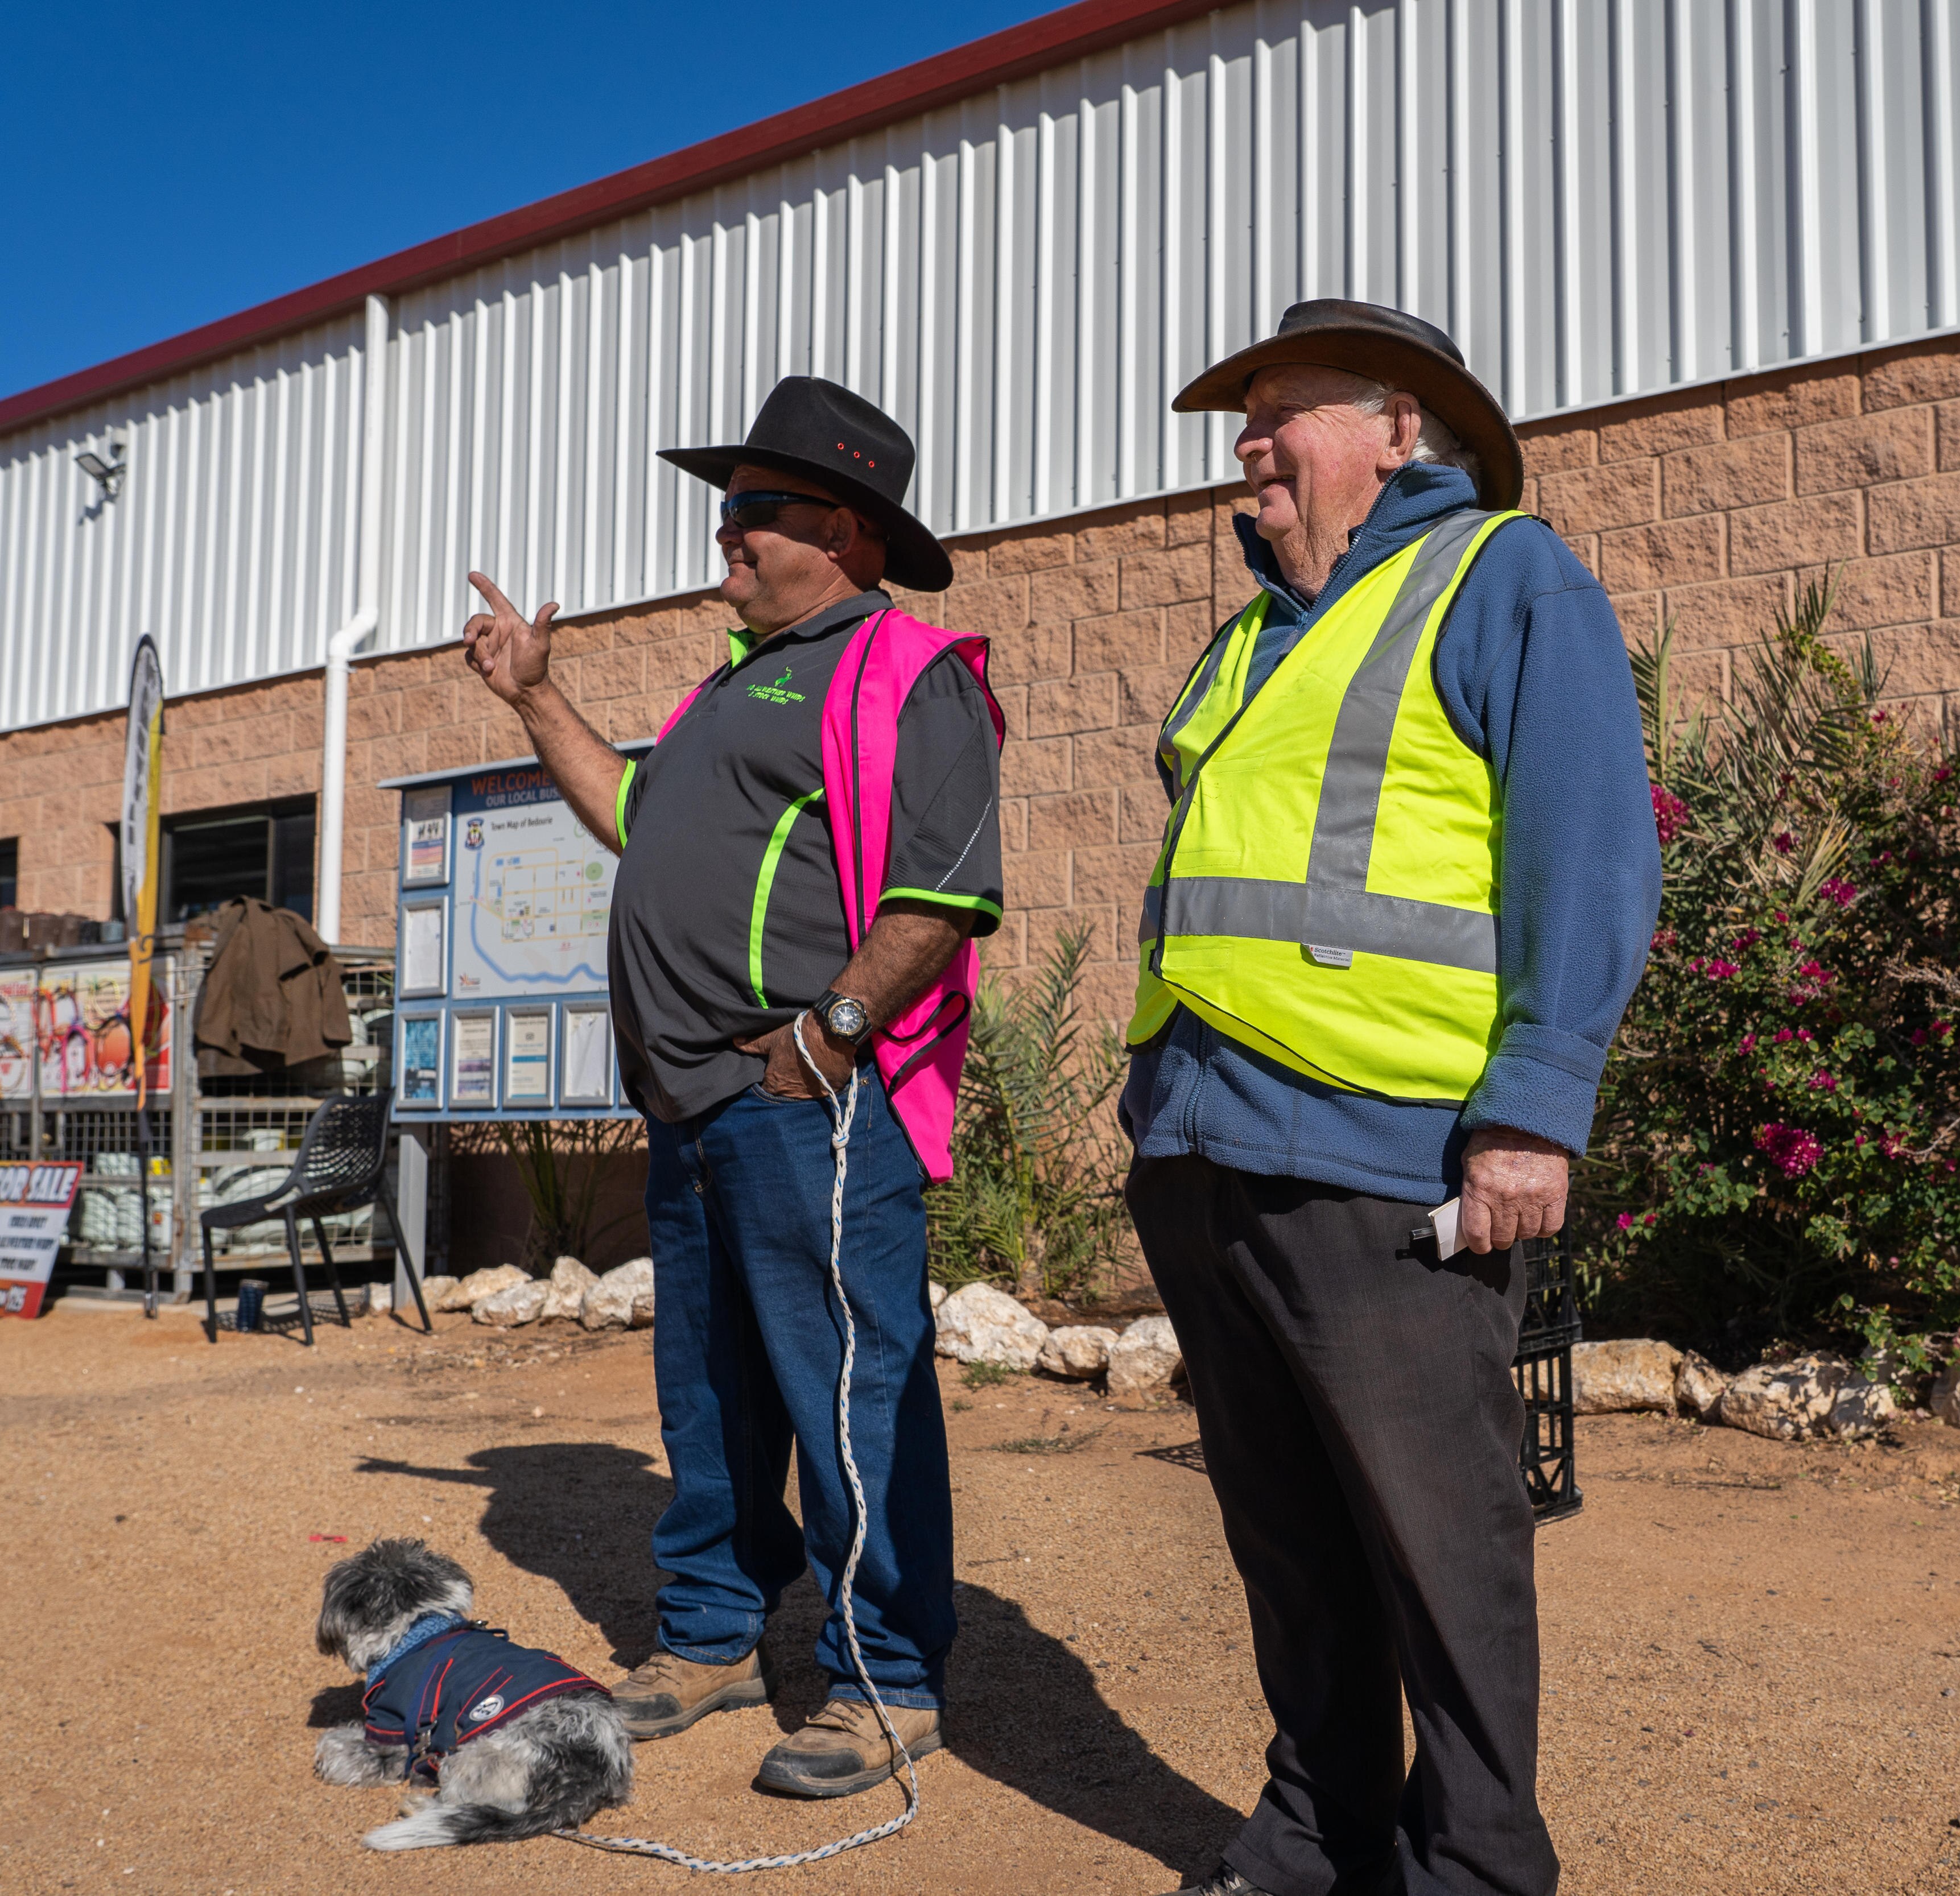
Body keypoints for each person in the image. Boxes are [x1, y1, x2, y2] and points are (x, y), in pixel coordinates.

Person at [1122, 302, 1660, 1896]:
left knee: (1440, 1537)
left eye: (1281, 408)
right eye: (1244, 415)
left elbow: (1590, 846)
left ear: (1400, 429)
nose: (1246, 443)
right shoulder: (1248, 637)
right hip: (1207, 1141)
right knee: (1286, 1536)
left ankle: (1481, 1860)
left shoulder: (1503, 575)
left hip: (1394, 1154)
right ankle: (1322, 1823)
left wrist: (1536, 1107)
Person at [459, 376, 1002, 1800]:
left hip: (804, 1100)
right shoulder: (728, 686)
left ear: (852, 531)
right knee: (706, 1391)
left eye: (758, 512)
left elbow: (943, 891)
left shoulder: (907, 670)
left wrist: (825, 1033)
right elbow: (629, 816)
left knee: (846, 1388)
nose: (728, 537)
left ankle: (885, 1674)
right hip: (693, 1102)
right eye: (726, 512)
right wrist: (536, 695)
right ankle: (708, 1632)